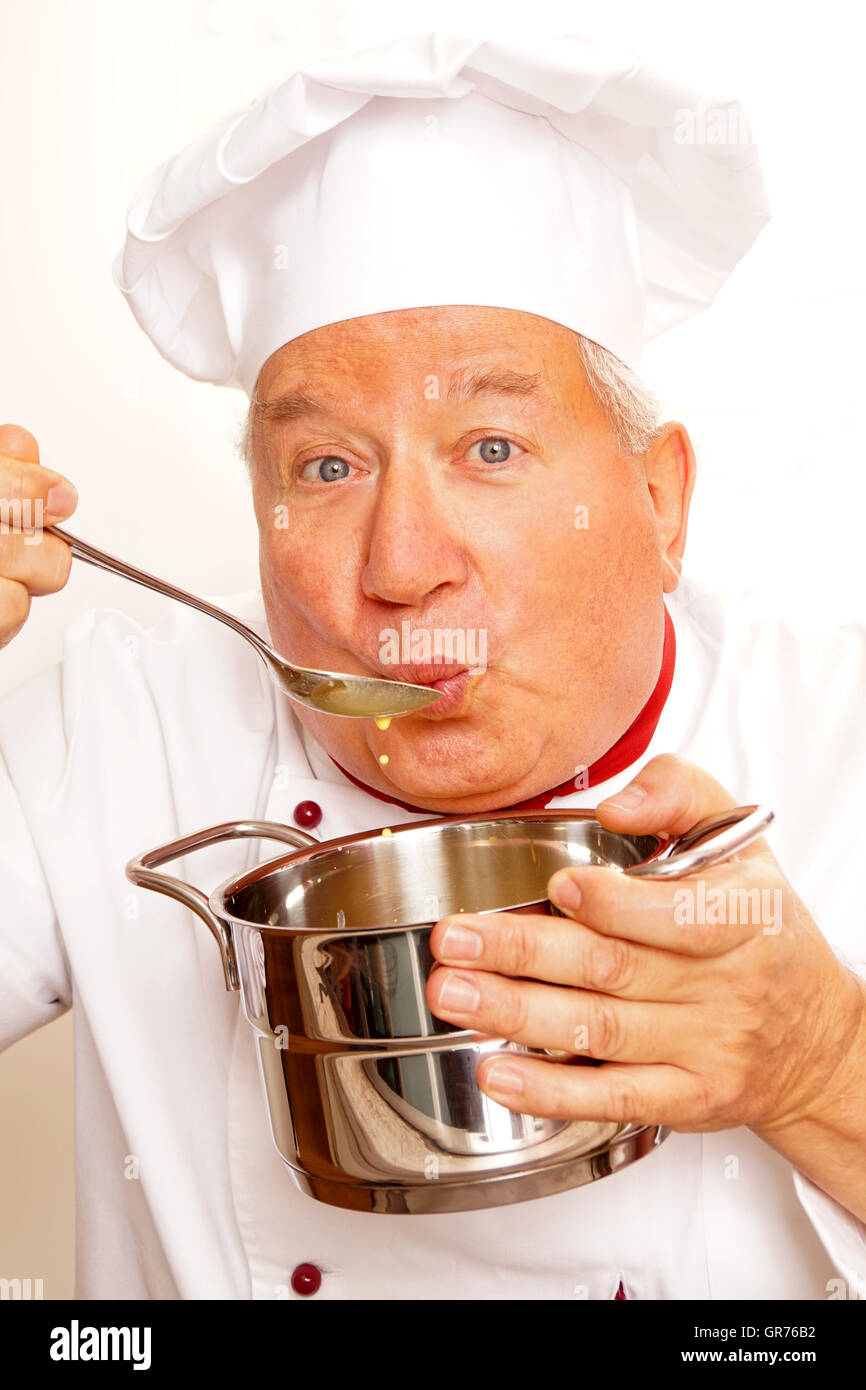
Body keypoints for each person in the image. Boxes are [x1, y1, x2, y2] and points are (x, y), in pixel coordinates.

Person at [1, 30, 864, 1301]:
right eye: (328, 467)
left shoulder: (838, 732)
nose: (402, 566)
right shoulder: (113, 724)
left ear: (656, 499)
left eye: (493, 447)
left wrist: (822, 1063)